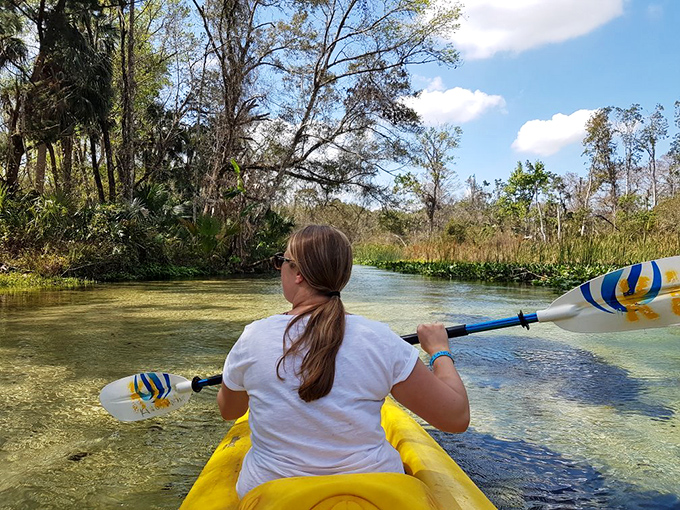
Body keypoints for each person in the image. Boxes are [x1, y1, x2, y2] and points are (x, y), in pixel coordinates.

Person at [217, 225, 469, 498]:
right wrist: (439, 351)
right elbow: (455, 418)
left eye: (282, 262)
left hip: (272, 495)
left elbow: (230, 410)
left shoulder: (254, 335)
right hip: (374, 495)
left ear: (298, 273)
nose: (280, 269)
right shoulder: (380, 338)